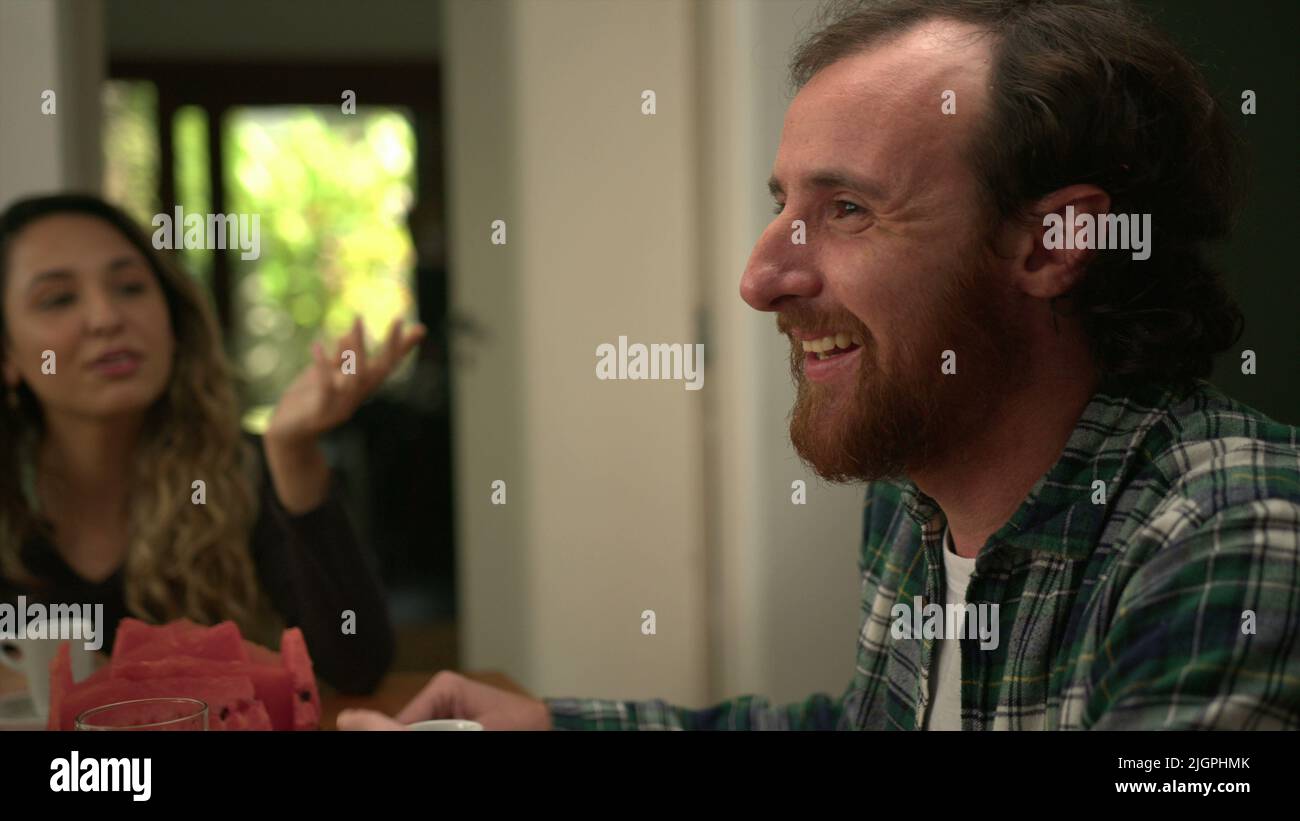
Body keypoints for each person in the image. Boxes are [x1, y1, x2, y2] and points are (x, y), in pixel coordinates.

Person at [340, 0, 1299, 730]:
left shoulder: (1227, 538)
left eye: (848, 210)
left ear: (1052, 245)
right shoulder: (919, 483)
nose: (761, 278)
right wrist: (555, 725)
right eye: (783, 201)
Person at [0, 193, 424, 694]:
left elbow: (358, 666)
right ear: (7, 355)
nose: (106, 317)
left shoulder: (242, 471)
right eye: (58, 299)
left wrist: (294, 454)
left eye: (131, 287)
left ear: (172, 322)